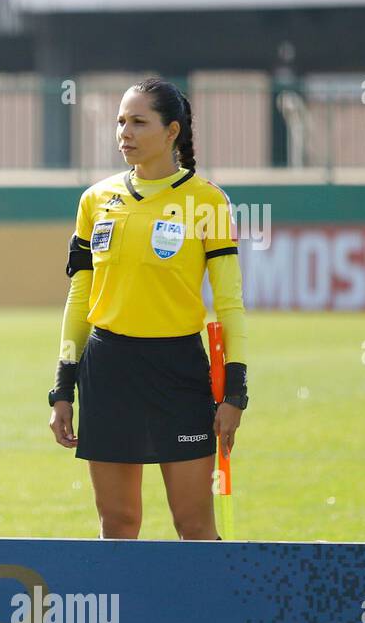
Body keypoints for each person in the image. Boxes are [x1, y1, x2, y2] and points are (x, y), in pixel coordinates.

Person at [48, 78, 248, 540]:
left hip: (178, 371)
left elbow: (229, 304)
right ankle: (128, 614)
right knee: (118, 524)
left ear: (172, 131)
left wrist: (234, 391)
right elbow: (80, 298)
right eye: (121, 122)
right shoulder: (95, 200)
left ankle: (210, 612)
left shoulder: (208, 201)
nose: (125, 133)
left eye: (139, 122)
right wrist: (63, 385)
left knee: (194, 524)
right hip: (108, 371)